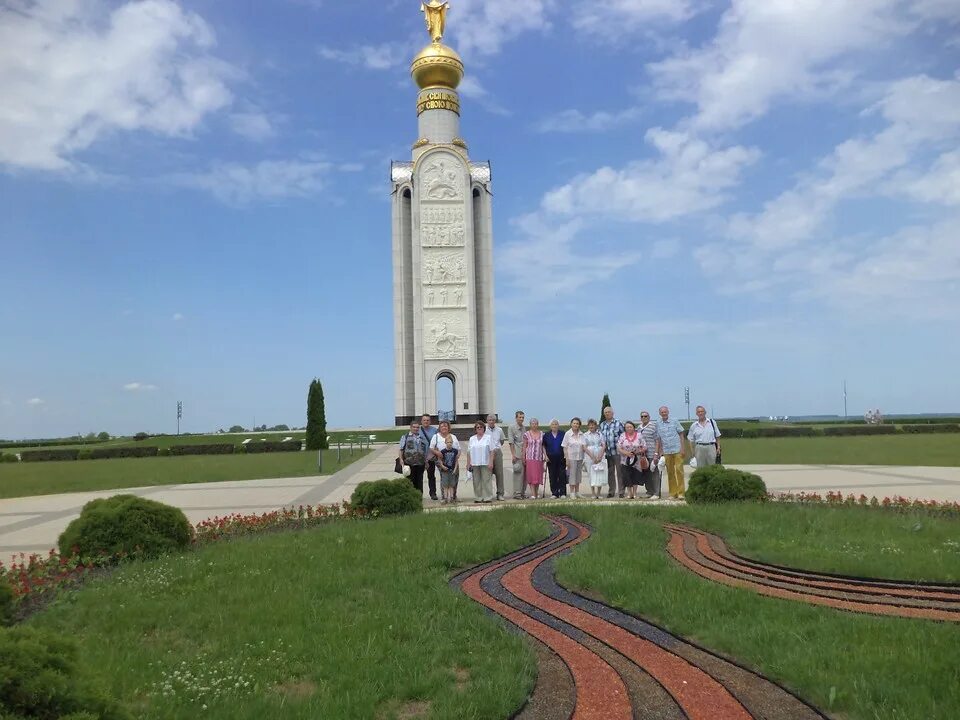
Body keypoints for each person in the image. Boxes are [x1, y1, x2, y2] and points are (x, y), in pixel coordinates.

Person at [655, 406, 688, 499]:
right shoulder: (658, 423)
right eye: (662, 412)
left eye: (665, 412)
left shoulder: (675, 421)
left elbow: (681, 434)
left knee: (679, 471)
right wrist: (660, 451)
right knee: (670, 472)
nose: (664, 413)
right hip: (666, 451)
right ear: (659, 413)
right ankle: (673, 493)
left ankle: (681, 493)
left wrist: (683, 448)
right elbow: (659, 438)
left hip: (677, 449)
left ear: (668, 412)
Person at [430, 421, 461, 501]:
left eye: (446, 426)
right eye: (442, 426)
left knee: (454, 478)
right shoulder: (436, 436)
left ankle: (453, 496)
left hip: (453, 461)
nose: (444, 428)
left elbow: (459, 448)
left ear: (448, 427)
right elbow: (431, 448)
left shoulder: (453, 437)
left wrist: (458, 456)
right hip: (442, 461)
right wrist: (438, 453)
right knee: (444, 479)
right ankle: (444, 497)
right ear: (439, 428)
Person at [599, 407, 625, 498]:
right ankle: (611, 491)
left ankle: (621, 491)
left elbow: (623, 436)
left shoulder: (618, 423)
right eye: (605, 412)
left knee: (620, 472)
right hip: (608, 453)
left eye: (609, 412)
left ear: (613, 413)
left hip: (617, 452)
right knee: (610, 473)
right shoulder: (602, 425)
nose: (607, 413)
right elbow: (601, 439)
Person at [617, 421, 647, 500]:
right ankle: (629, 493)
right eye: (627, 427)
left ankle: (635, 493)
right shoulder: (622, 436)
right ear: (625, 428)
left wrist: (637, 452)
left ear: (634, 427)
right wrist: (626, 453)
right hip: (625, 460)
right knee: (627, 476)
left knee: (635, 476)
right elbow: (619, 447)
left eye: (630, 427)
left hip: (636, 460)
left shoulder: (639, 435)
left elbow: (644, 446)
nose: (629, 428)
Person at [467, 421, 495, 503]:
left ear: (484, 428)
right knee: (476, 481)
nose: (479, 429)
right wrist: (468, 463)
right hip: (475, 463)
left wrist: (491, 462)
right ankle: (478, 497)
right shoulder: (472, 439)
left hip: (485, 462)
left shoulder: (488, 437)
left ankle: (487, 497)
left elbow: (492, 451)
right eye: (477, 427)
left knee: (486, 480)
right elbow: (469, 452)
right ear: (475, 429)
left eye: (481, 427)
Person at [397, 421, 428, 494]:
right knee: (410, 481)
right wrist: (401, 459)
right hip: (409, 463)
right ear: (410, 428)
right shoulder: (405, 436)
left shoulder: (422, 438)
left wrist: (426, 462)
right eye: (414, 427)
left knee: (419, 481)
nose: (416, 429)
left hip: (420, 463)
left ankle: (419, 497)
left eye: (417, 427)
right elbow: (401, 449)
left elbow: (424, 451)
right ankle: (411, 496)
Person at [688, 405, 722, 470]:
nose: (700, 413)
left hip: (711, 447)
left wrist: (718, 447)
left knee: (713, 467)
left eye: (702, 411)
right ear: (696, 414)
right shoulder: (694, 425)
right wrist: (692, 452)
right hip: (699, 448)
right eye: (699, 412)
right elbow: (690, 439)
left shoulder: (712, 422)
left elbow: (717, 436)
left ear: (705, 412)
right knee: (700, 468)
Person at [638, 411, 661, 500]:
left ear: (649, 417)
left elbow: (657, 440)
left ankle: (656, 492)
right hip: (643, 455)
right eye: (642, 416)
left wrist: (656, 453)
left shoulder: (653, 426)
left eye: (645, 416)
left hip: (652, 453)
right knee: (646, 474)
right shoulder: (639, 428)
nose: (644, 417)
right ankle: (649, 491)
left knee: (654, 473)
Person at [582, 419, 607, 499]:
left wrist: (600, 456)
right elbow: (584, 447)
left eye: (593, 425)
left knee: (600, 473)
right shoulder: (585, 435)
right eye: (590, 425)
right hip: (589, 456)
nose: (591, 426)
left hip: (600, 455)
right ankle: (593, 493)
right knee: (591, 474)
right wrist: (592, 456)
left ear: (596, 426)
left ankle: (599, 493)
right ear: (588, 426)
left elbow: (603, 445)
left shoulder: (600, 434)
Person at [522, 418, 546, 500]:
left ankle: (536, 493)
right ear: (530, 425)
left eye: (536, 423)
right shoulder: (526, 434)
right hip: (530, 457)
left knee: (538, 476)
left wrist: (545, 455)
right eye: (532, 423)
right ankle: (532, 494)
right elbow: (524, 446)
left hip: (539, 458)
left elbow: (543, 446)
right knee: (531, 476)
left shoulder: (542, 434)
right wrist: (523, 457)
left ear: (538, 424)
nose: (534, 425)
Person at [562, 417, 586, 499]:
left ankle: (577, 492)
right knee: (572, 475)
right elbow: (564, 447)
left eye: (577, 423)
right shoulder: (567, 434)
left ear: (579, 425)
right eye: (574, 423)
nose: (576, 425)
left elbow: (584, 446)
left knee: (578, 475)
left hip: (580, 457)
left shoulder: (581, 434)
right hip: (571, 458)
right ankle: (572, 492)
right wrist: (567, 459)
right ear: (571, 424)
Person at [542, 419, 567, 499]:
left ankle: (562, 493)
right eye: (553, 424)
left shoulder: (563, 433)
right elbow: (543, 446)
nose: (554, 426)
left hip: (561, 457)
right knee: (553, 476)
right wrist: (545, 456)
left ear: (558, 425)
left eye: (556, 424)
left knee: (562, 475)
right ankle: (554, 493)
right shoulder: (546, 435)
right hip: (551, 458)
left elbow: (566, 445)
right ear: (550, 426)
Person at [484, 414, 506, 500]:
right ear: (487, 421)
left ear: (495, 421)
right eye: (489, 420)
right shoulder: (484, 430)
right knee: (487, 474)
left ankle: (500, 494)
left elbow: (502, 441)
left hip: (497, 452)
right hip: (487, 453)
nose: (491, 421)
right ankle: (488, 494)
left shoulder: (499, 430)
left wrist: (496, 448)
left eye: (493, 420)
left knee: (499, 474)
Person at [507, 410, 527, 499]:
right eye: (520, 417)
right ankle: (517, 493)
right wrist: (513, 454)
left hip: (525, 455)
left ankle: (523, 492)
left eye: (523, 417)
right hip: (517, 454)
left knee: (525, 475)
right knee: (518, 474)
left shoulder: (524, 428)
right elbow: (511, 442)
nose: (521, 419)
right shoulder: (511, 428)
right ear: (516, 418)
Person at [419, 414, 439, 501]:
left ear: (430, 421)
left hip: (431, 457)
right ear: (421, 421)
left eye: (427, 420)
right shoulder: (417, 430)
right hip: (420, 458)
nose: (426, 422)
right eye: (424, 420)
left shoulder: (434, 430)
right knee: (419, 477)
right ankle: (419, 494)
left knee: (431, 476)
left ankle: (433, 493)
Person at [438, 435, 459, 504]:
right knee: (445, 485)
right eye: (448, 442)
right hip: (445, 470)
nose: (449, 443)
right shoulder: (443, 451)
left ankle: (452, 498)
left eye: (450, 442)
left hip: (452, 470)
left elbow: (456, 460)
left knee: (451, 485)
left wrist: (455, 468)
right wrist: (442, 466)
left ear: (452, 443)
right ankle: (445, 498)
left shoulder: (455, 451)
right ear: (445, 443)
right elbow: (440, 460)